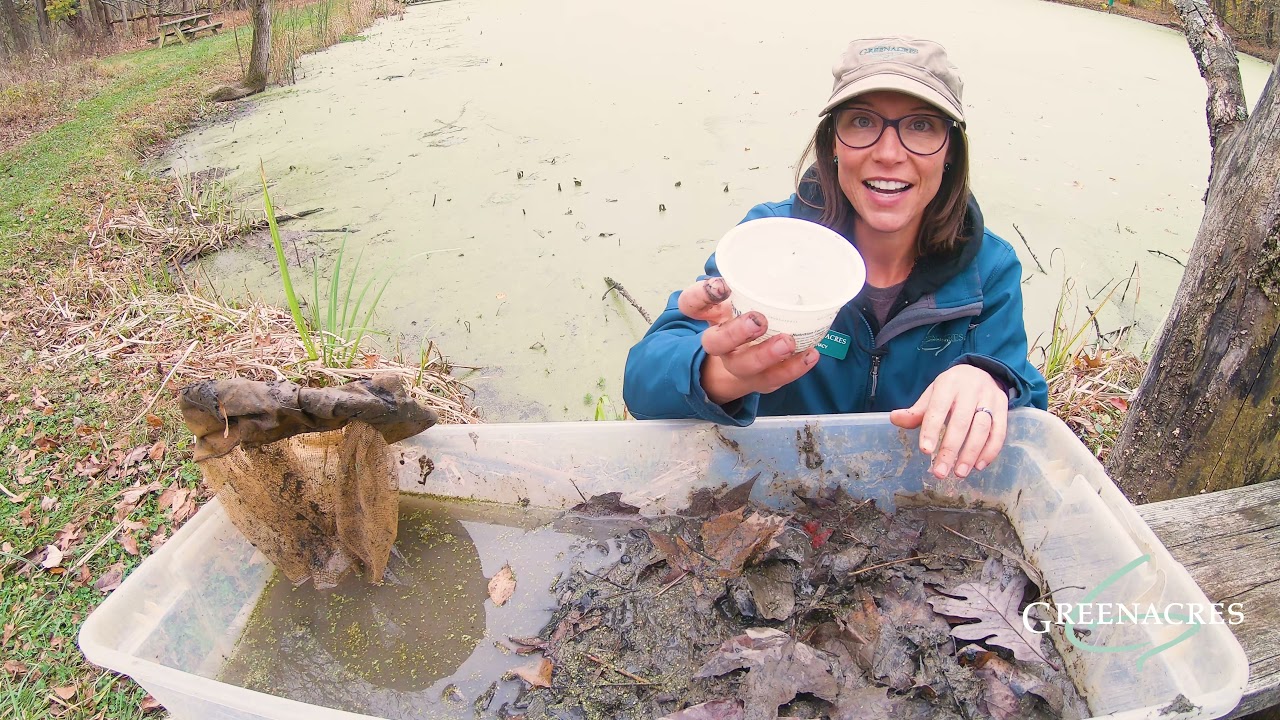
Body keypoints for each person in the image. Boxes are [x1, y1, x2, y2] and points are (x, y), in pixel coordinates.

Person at [623, 37, 1048, 481]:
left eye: (922, 126)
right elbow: (643, 383)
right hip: (772, 494)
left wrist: (992, 381)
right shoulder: (768, 240)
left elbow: (1031, 412)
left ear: (950, 153)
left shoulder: (988, 269)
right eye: (862, 122)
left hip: (907, 504)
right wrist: (723, 374)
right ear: (833, 143)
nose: (889, 153)